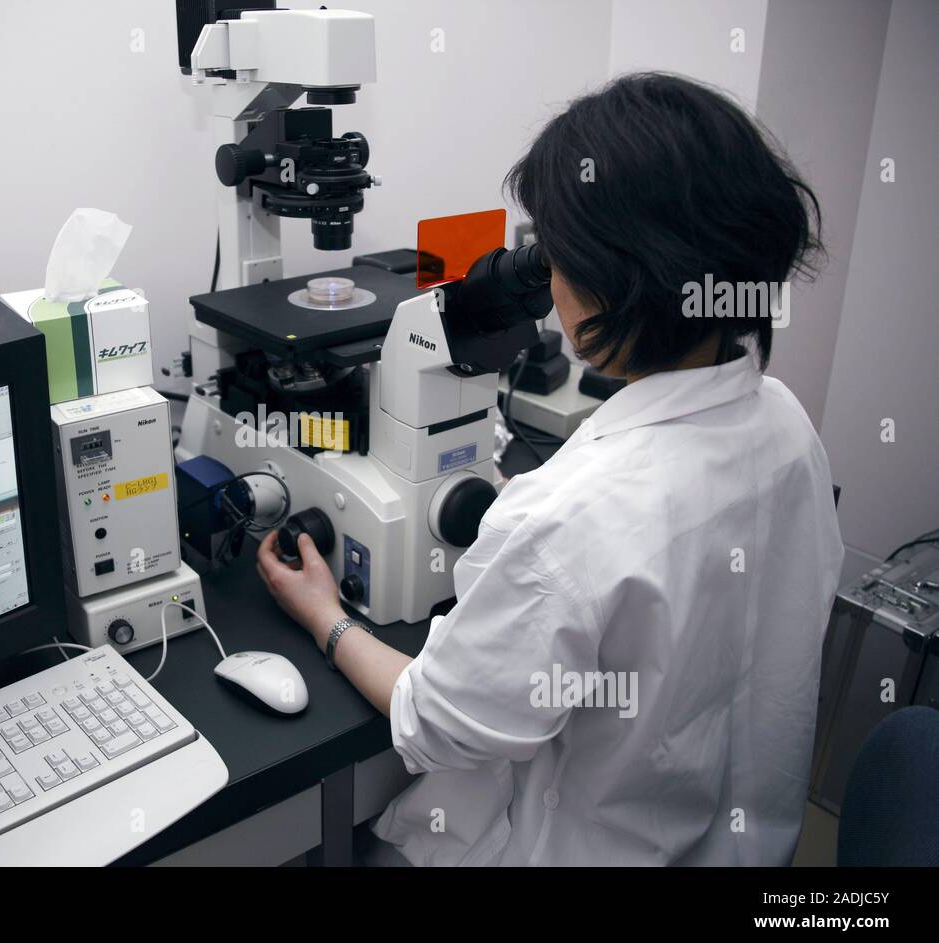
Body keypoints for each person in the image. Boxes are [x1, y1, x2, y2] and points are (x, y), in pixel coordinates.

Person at [255, 72, 844, 866]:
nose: (547, 275)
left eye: (555, 253)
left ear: (612, 279)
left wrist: (324, 617)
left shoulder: (566, 518)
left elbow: (433, 727)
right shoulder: (784, 421)